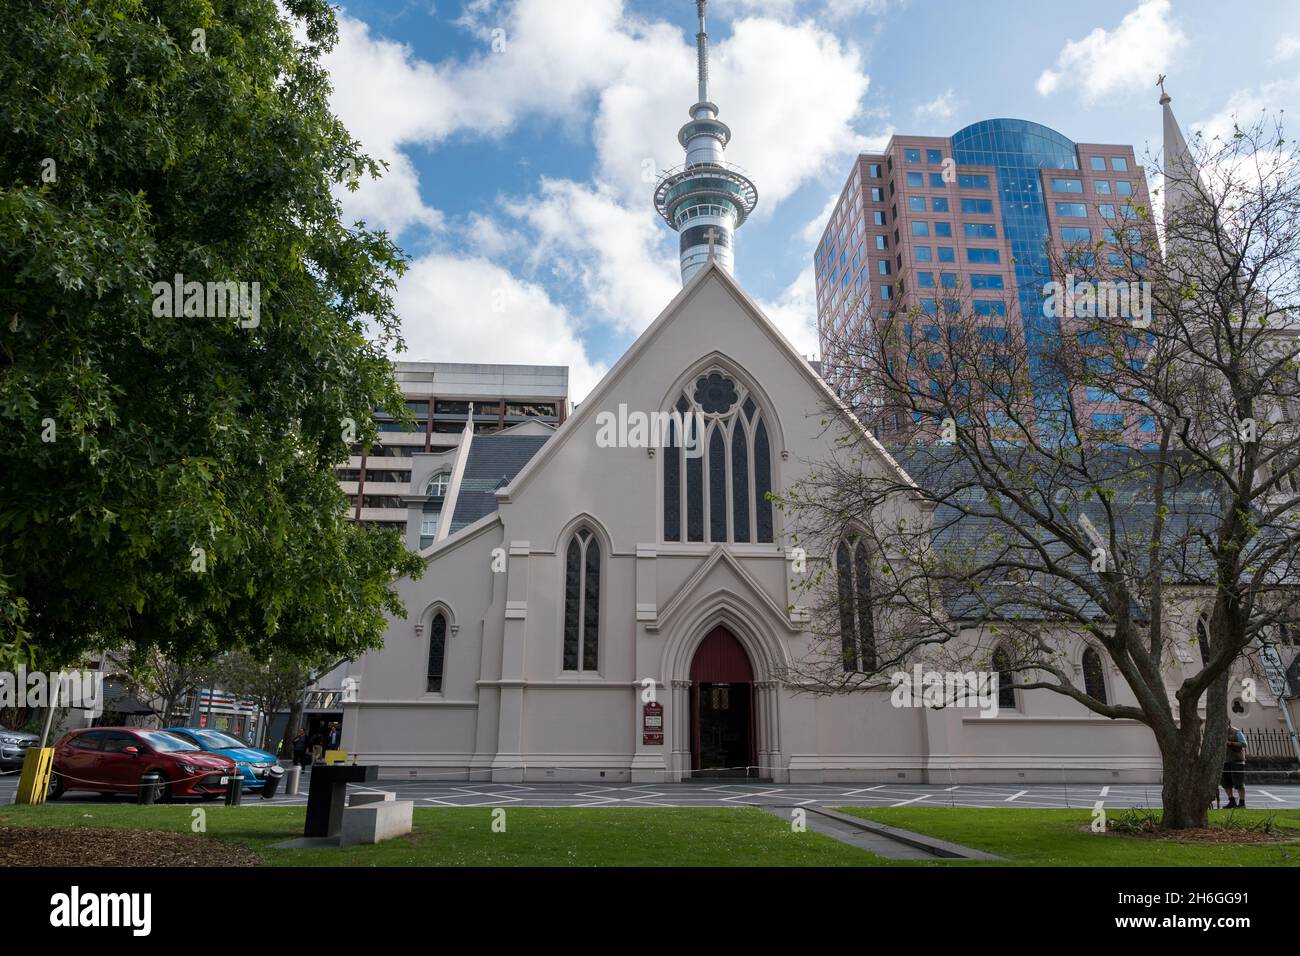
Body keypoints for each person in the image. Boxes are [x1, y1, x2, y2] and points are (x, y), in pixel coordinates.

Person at [1222, 722, 1247, 808]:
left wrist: (1231, 743)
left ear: (1228, 723)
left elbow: (1244, 744)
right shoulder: (1219, 732)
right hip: (1224, 761)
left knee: (1239, 783)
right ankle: (1231, 801)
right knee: (1225, 783)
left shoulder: (1236, 731)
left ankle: (1242, 803)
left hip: (1236, 761)